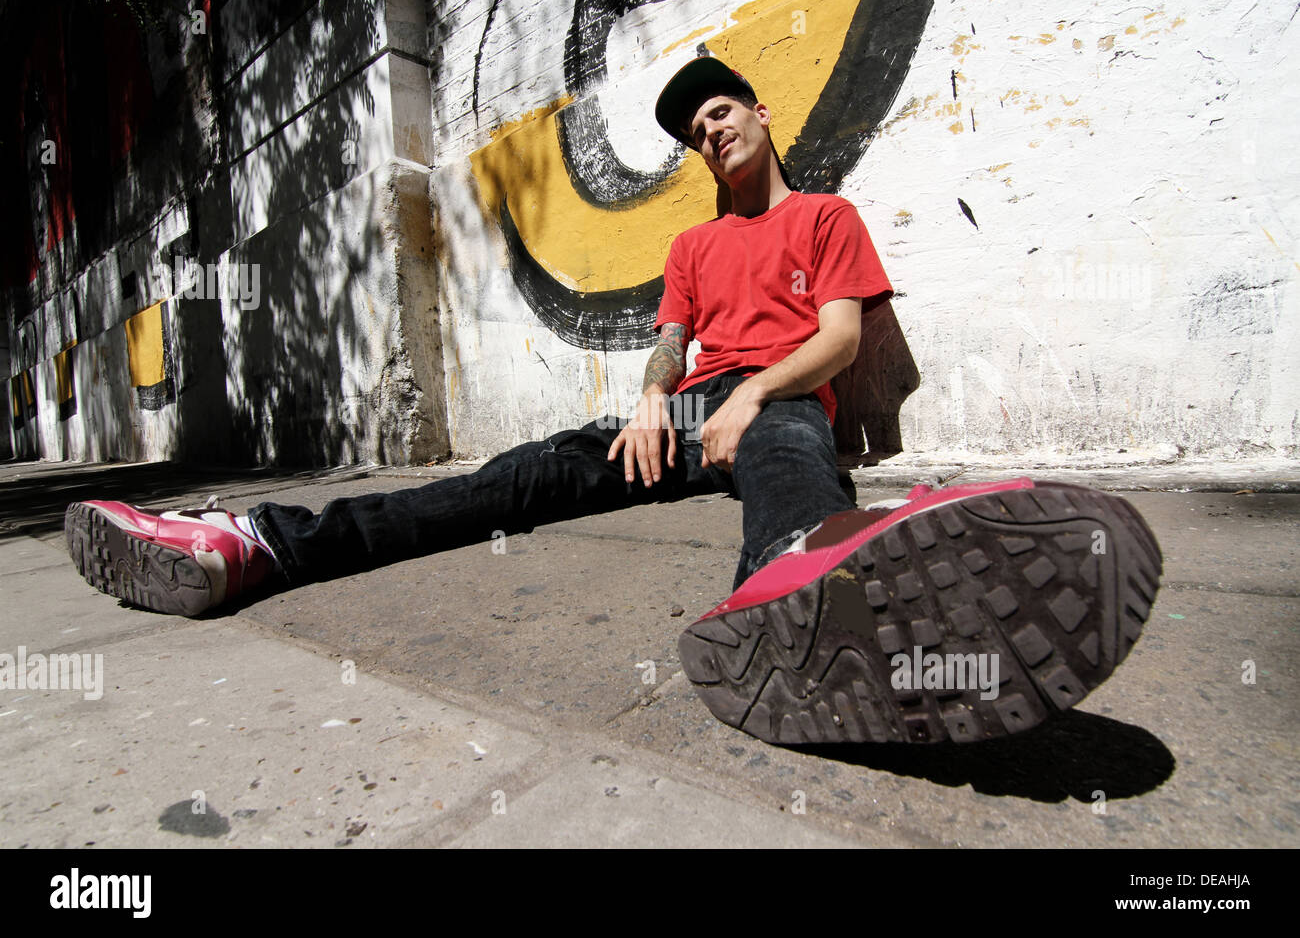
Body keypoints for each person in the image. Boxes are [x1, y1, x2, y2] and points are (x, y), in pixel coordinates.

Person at [64, 58, 1163, 745]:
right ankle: (255, 544)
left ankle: (794, 586)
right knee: (517, 477)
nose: (709, 134)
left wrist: (757, 395)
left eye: (722, 113)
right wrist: (651, 404)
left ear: (763, 114)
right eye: (694, 133)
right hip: (684, 412)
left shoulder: (823, 217)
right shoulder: (690, 243)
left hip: (778, 401)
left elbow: (838, 340)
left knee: (787, 443)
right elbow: (668, 345)